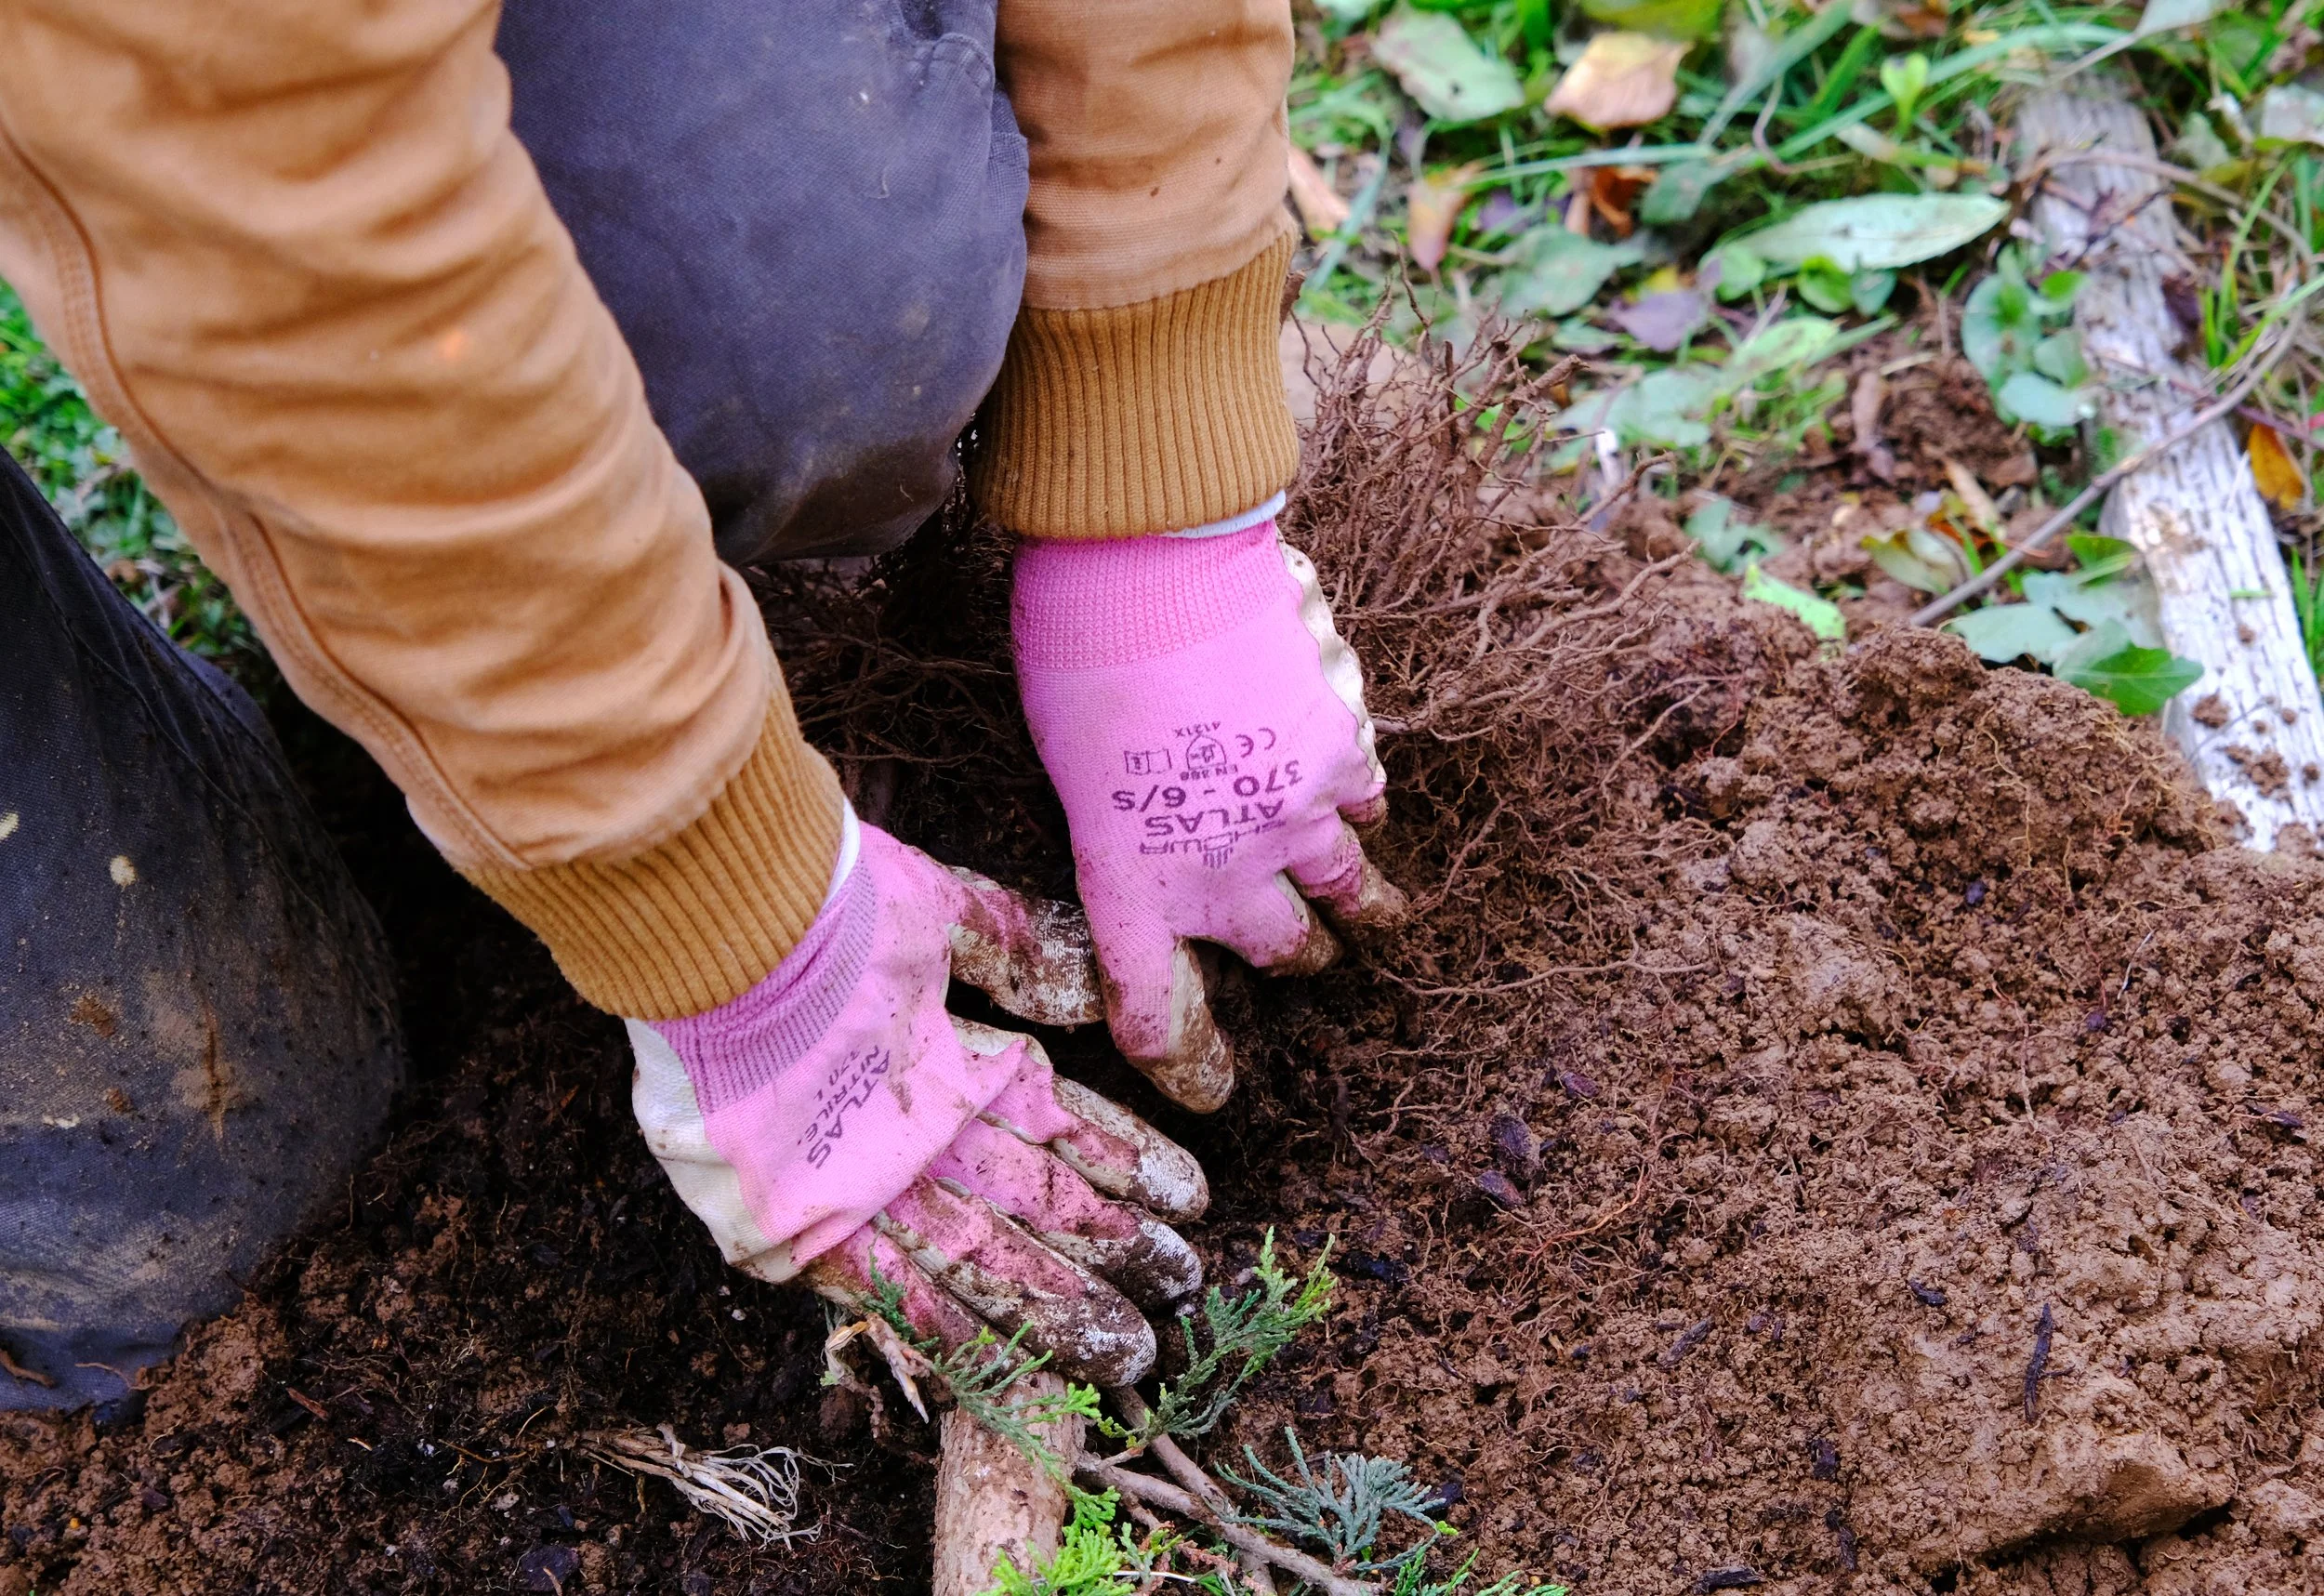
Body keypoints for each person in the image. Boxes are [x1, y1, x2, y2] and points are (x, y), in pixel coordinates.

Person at [0, 0, 1402, 1404]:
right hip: (177, 76)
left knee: (803, 311)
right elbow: (271, 209)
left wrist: (1160, 508)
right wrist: (729, 928)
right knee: (165, 1211)